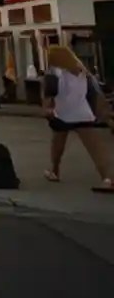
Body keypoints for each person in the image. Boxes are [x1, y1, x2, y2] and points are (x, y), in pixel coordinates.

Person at [41, 45, 113, 193]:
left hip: (61, 114)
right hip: (82, 113)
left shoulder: (53, 73)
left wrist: (46, 109)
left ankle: (54, 171)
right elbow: (94, 93)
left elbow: (49, 94)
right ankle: (107, 179)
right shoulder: (83, 72)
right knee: (95, 149)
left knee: (57, 144)